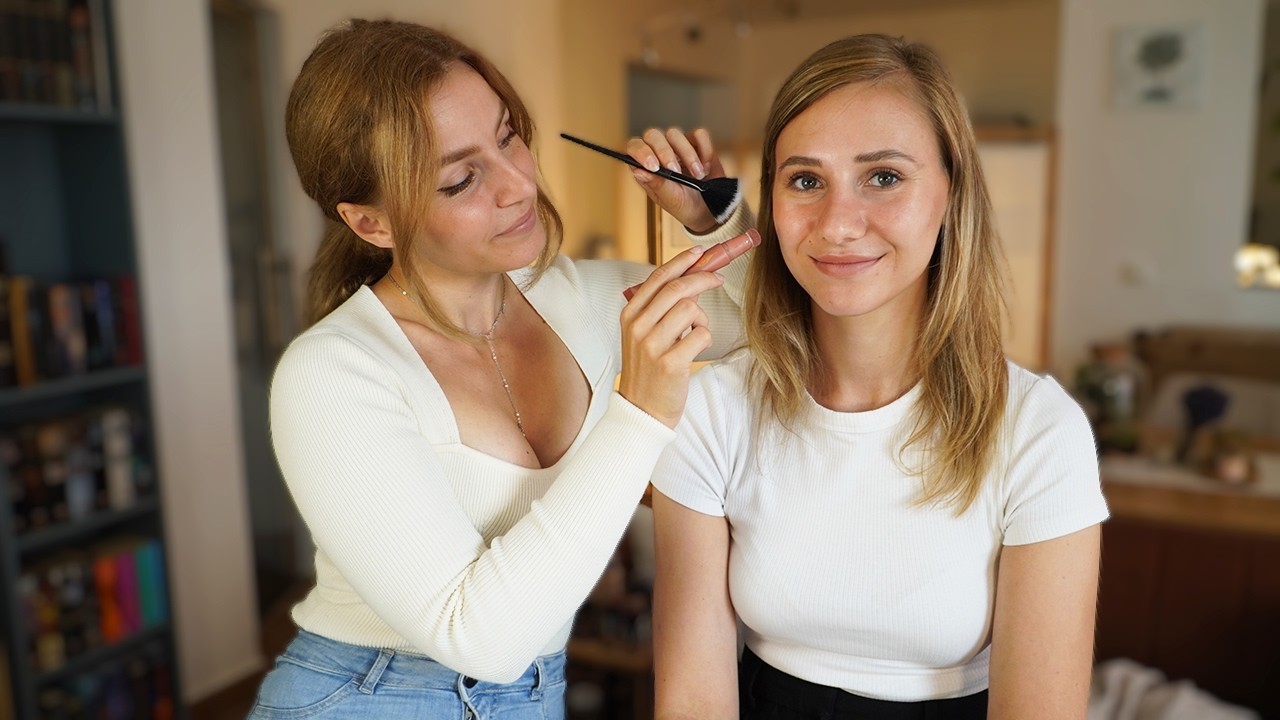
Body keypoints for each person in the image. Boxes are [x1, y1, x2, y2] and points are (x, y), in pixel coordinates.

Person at [247, 18, 754, 720]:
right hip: (368, 697)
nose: (518, 183)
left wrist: (713, 219)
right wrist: (639, 415)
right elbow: (480, 640)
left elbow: (770, 325)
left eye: (509, 135)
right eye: (462, 179)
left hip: (532, 699)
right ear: (372, 224)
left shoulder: (583, 300)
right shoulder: (333, 375)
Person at [649, 34, 1109, 720]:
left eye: (884, 177)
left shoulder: (1039, 431)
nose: (837, 224)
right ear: (771, 203)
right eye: (805, 180)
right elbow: (691, 699)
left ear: (951, 194)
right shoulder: (712, 408)